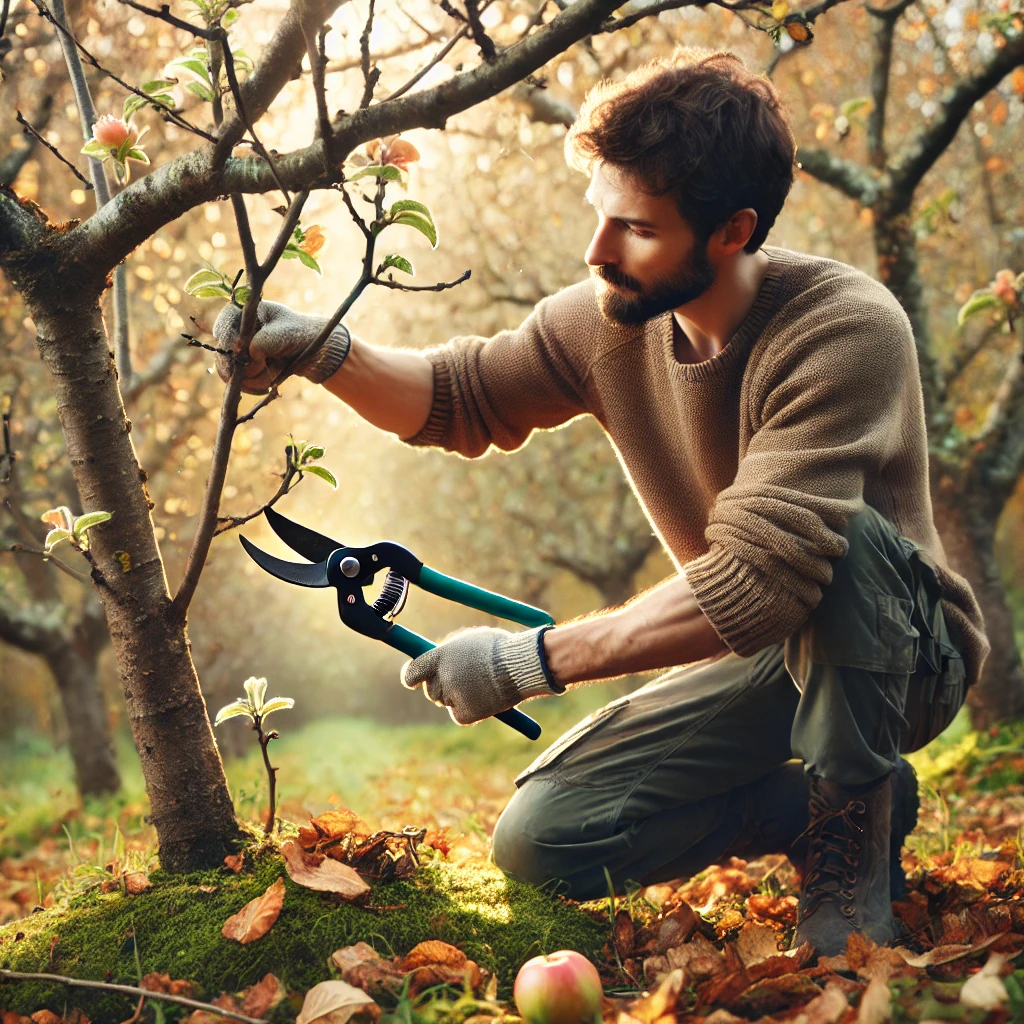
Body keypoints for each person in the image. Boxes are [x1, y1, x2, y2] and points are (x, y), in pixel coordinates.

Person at [214, 48, 988, 957]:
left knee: (842, 538)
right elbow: (458, 397)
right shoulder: (607, 318)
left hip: (900, 657)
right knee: (542, 838)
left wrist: (526, 660)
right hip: (767, 649)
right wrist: (323, 351)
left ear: (732, 231)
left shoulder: (844, 329)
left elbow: (759, 577)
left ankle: (852, 845)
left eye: (636, 229)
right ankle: (818, 809)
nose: (598, 252)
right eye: (599, 216)